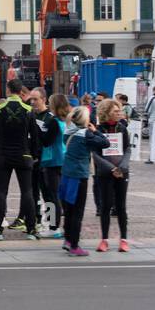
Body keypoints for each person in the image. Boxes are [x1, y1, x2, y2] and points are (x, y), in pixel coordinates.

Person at [0, 80, 39, 241]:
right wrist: (35, 155)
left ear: (8, 90)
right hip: (23, 155)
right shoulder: (28, 110)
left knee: (1, 192)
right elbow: (35, 136)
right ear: (20, 91)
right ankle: (31, 229)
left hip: (3, 155)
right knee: (27, 192)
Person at [59, 107, 111, 257]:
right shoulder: (86, 134)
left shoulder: (68, 131)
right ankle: (75, 245)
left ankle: (68, 240)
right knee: (77, 212)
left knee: (68, 210)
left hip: (66, 174)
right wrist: (95, 131)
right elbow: (105, 143)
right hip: (79, 175)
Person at [92, 97, 131, 253]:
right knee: (105, 206)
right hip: (105, 173)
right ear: (106, 112)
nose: (119, 113)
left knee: (121, 207)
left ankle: (123, 240)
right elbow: (95, 154)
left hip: (122, 173)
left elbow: (127, 149)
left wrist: (122, 167)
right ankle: (104, 240)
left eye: (119, 110)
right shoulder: (97, 130)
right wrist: (111, 169)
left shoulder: (122, 128)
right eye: (115, 111)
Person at [36, 93, 70, 239]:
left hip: (51, 160)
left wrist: (36, 128)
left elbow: (46, 141)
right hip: (63, 159)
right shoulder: (66, 120)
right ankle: (61, 226)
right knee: (60, 195)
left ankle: (53, 226)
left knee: (51, 195)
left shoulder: (53, 121)